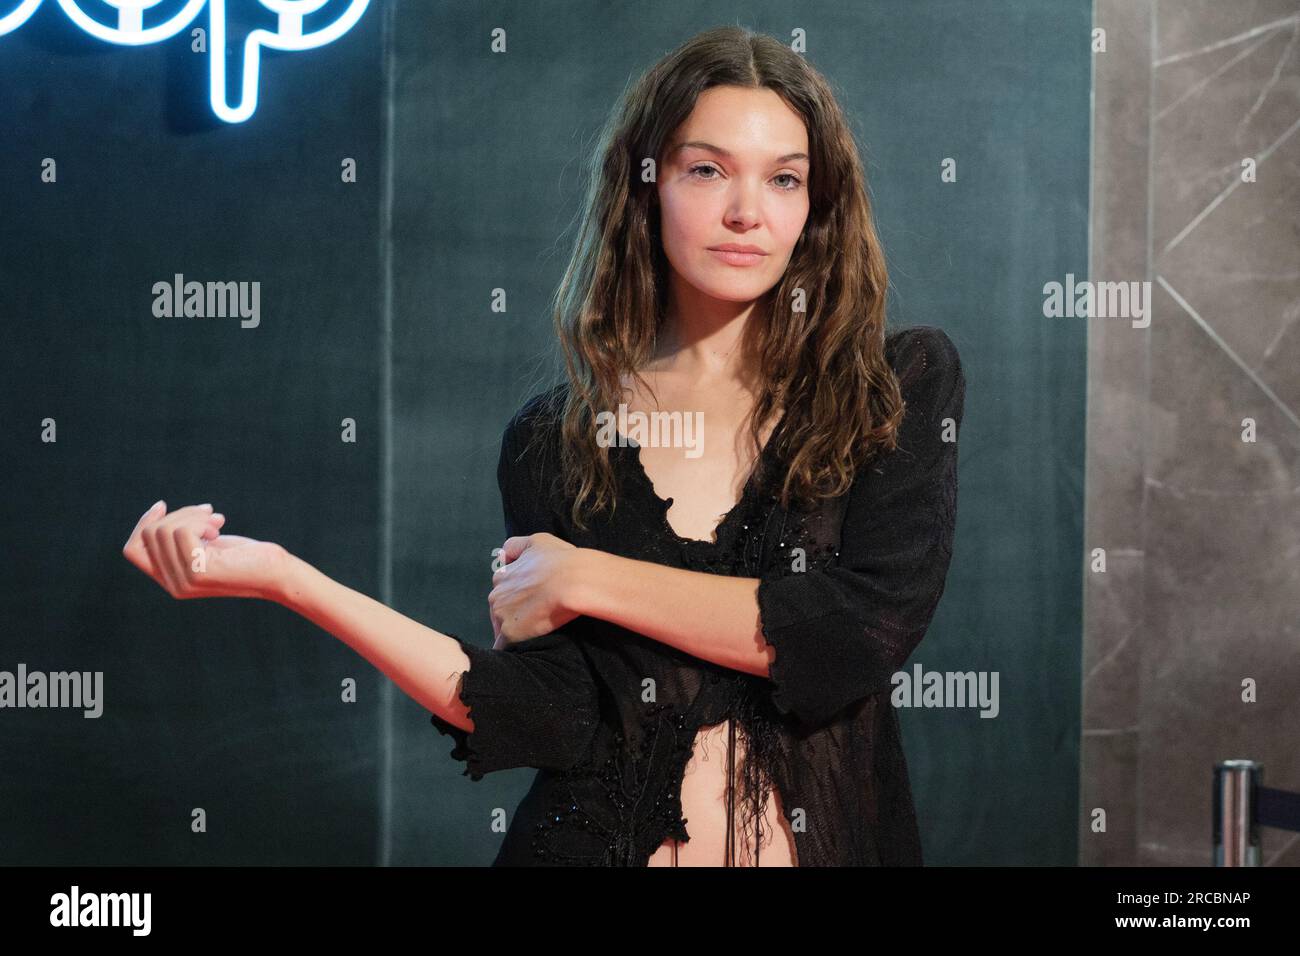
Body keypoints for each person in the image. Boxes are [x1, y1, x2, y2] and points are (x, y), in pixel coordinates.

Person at [121, 25, 965, 867]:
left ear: (817, 205)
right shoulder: (555, 441)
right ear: (647, 186)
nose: (747, 210)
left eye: (784, 178)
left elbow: (854, 635)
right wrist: (288, 579)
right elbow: (549, 713)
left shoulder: (890, 387)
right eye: (706, 169)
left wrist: (589, 577)